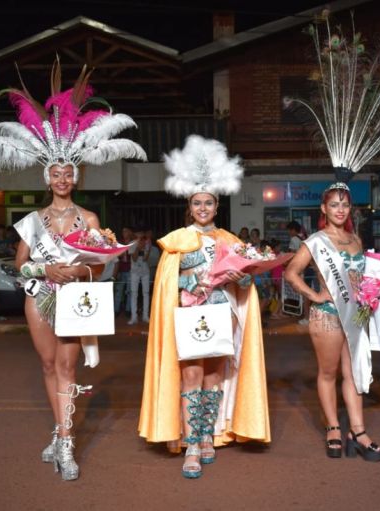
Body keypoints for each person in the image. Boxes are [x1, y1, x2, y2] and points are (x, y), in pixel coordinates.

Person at [0, 58, 146, 481]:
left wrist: (83, 272)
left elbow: (101, 271)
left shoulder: (89, 219)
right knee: (48, 368)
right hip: (40, 299)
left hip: (75, 303)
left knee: (67, 369)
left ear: (75, 175)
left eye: (69, 172)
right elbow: (19, 269)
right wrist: (48, 273)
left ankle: (66, 444)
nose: (63, 178)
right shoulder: (32, 222)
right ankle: (59, 431)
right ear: (47, 177)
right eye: (56, 173)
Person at [139, 135, 270, 479]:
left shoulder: (231, 241)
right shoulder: (178, 240)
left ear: (216, 206)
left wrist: (243, 275)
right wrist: (192, 283)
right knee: (191, 375)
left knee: (213, 375)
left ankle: (209, 433)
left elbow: (244, 284)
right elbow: (166, 283)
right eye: (197, 203)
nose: (202, 208)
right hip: (188, 316)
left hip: (221, 314)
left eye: (208, 203)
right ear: (190, 206)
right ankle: (192, 443)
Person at [284, 181, 380, 463]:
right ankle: (333, 428)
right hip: (329, 316)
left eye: (345, 204)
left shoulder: (356, 239)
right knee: (328, 373)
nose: (340, 210)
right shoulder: (316, 241)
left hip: (356, 315)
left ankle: (357, 432)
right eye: (334, 204)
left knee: (355, 372)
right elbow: (291, 273)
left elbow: (362, 277)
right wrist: (314, 295)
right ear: (324, 208)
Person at [128, 226, 151, 324]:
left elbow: (145, 258)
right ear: (135, 234)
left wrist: (145, 247)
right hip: (134, 271)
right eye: (138, 233)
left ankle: (145, 316)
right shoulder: (131, 244)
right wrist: (137, 247)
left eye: (141, 233)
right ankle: (134, 317)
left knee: (145, 293)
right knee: (134, 293)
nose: (140, 235)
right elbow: (134, 258)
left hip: (145, 271)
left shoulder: (148, 243)